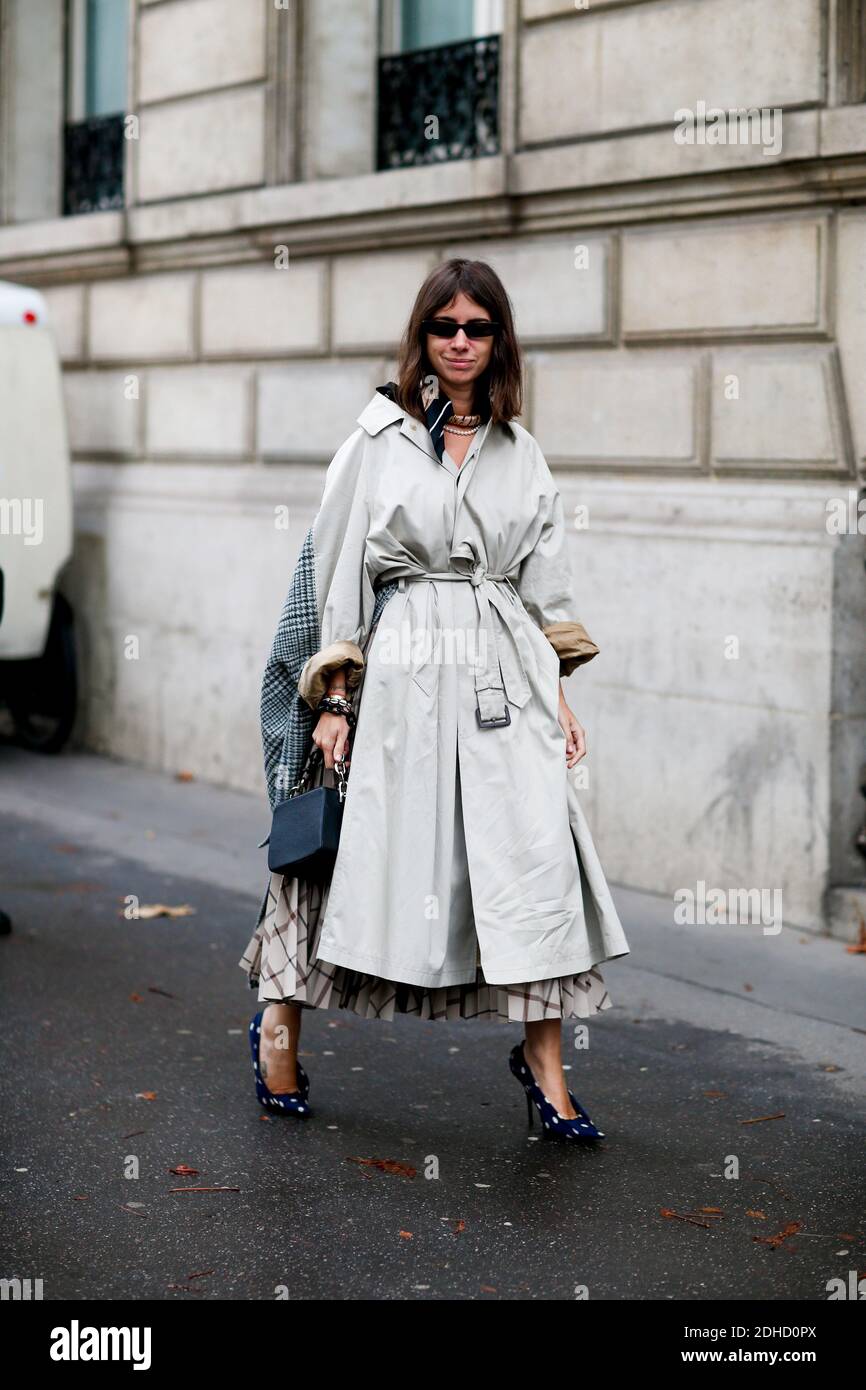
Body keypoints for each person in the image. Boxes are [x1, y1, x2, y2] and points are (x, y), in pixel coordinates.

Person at [239, 258, 630, 1141]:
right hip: (398, 675)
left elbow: (543, 585)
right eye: (444, 327)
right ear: (422, 337)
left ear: (499, 342)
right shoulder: (376, 439)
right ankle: (277, 1026)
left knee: (534, 858)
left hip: (502, 674)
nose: (460, 342)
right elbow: (339, 570)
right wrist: (334, 698)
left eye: (477, 328)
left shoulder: (519, 451)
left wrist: (559, 693)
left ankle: (544, 1064)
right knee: (334, 853)